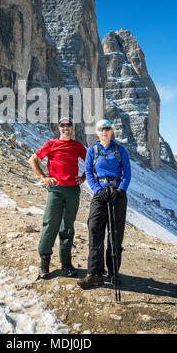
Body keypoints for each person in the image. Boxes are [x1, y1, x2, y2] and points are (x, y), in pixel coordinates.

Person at [28, 117, 87, 279]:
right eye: (63, 125)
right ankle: (44, 262)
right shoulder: (51, 145)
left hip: (72, 190)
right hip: (56, 190)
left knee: (67, 227)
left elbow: (90, 162)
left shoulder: (77, 146)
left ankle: (66, 264)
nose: (66, 127)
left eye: (69, 125)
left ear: (72, 128)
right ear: (59, 128)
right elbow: (32, 159)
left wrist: (83, 177)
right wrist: (43, 177)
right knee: (50, 224)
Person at [77, 119, 131, 289]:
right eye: (101, 129)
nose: (104, 132)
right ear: (97, 132)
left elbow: (127, 172)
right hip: (100, 193)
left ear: (111, 131)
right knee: (94, 227)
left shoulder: (120, 150)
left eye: (107, 129)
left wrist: (121, 189)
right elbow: (88, 172)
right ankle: (95, 274)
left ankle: (114, 272)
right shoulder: (92, 151)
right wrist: (97, 189)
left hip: (118, 194)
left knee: (115, 233)